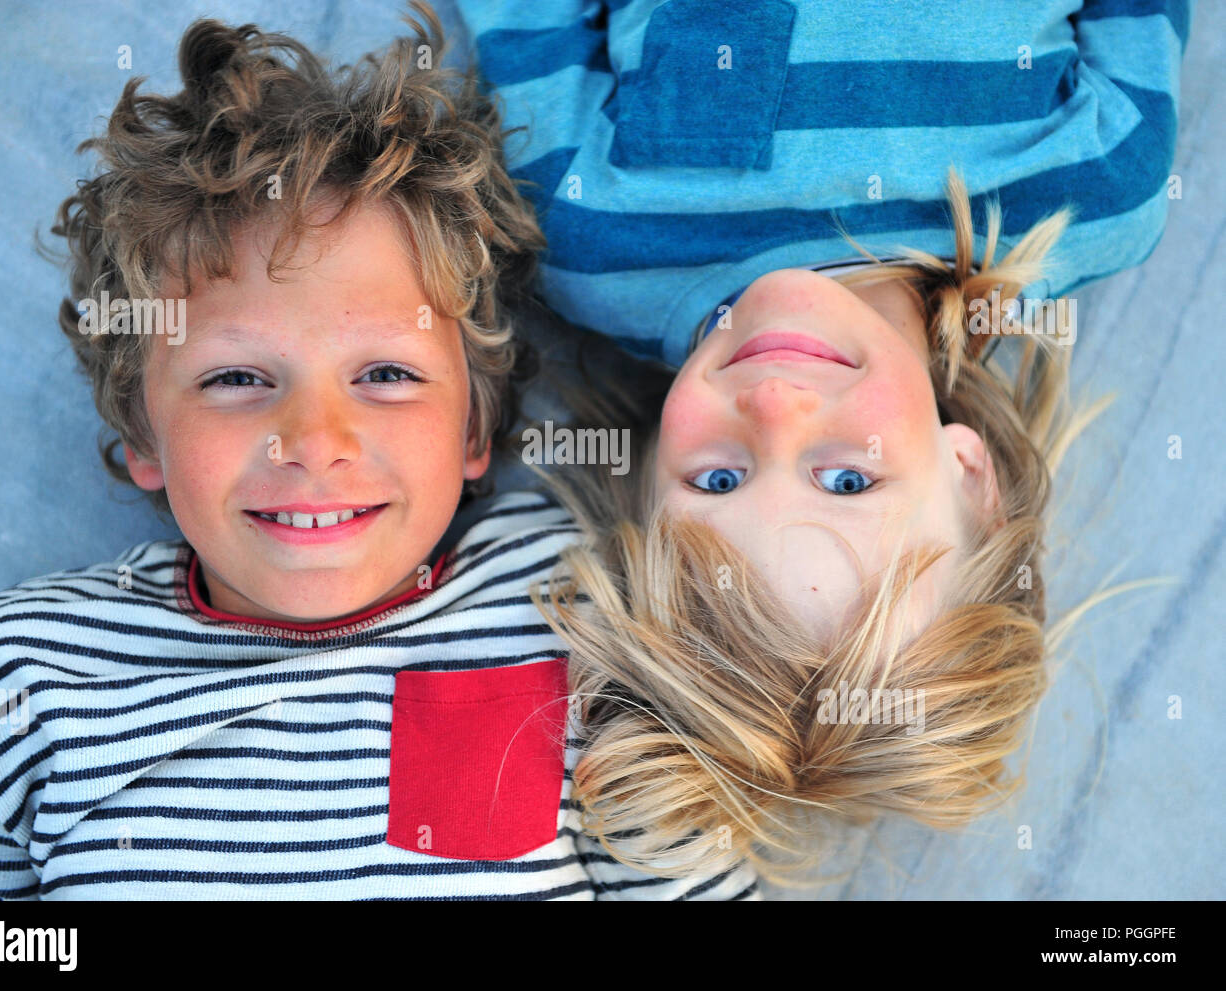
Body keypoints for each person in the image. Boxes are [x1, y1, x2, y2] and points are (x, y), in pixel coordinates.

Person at [0, 6, 759, 900]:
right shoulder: (19, 672)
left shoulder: (577, 601)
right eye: (236, 378)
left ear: (476, 427)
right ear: (142, 435)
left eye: (388, 373)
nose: (314, 441)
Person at [452, 0, 1188, 881]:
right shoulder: (1093, 192)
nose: (774, 406)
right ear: (968, 475)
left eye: (718, 480)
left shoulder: (593, 237)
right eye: (845, 481)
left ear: (646, 475)